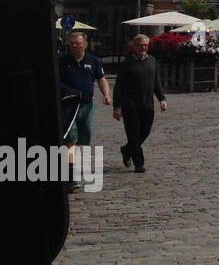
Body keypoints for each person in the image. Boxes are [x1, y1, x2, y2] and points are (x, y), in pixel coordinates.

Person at [59, 32, 112, 190]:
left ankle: (69, 170)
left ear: (85, 44)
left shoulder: (93, 61)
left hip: (86, 106)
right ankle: (71, 178)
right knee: (71, 139)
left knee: (83, 137)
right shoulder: (62, 61)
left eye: (78, 43)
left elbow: (101, 79)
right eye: (72, 43)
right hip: (68, 106)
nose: (75, 46)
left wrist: (106, 95)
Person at [113, 33, 167, 173]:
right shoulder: (127, 63)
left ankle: (126, 150)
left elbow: (156, 82)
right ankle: (139, 163)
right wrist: (117, 107)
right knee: (132, 133)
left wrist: (162, 99)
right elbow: (118, 86)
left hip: (147, 103)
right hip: (130, 104)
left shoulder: (152, 60)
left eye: (145, 45)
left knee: (145, 131)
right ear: (134, 46)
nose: (143, 47)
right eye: (140, 45)